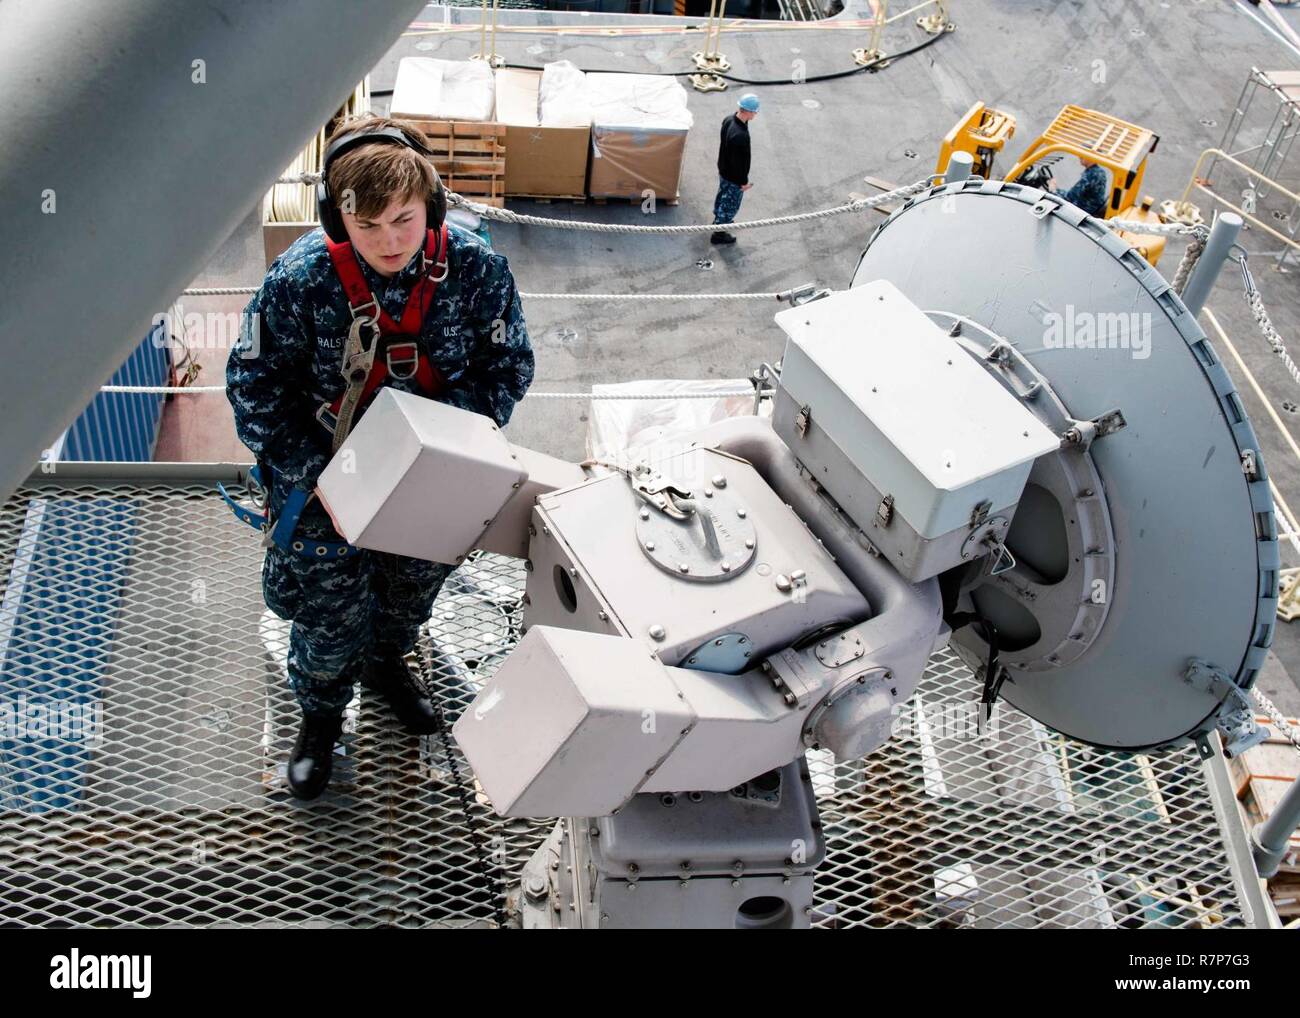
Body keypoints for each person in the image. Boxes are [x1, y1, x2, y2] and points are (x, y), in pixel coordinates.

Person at [225, 115, 534, 800]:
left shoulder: (477, 272)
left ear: (433, 205)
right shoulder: (301, 281)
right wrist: (323, 477)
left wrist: (440, 445)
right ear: (339, 224)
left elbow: (508, 365)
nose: (390, 241)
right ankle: (322, 714)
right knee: (329, 616)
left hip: (429, 482)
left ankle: (388, 663)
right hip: (325, 489)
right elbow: (252, 385)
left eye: (404, 219)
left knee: (407, 596)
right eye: (369, 227)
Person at [711, 93, 759, 246]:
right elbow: (739, 164)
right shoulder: (741, 135)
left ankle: (717, 219)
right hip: (733, 177)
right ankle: (719, 233)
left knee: (722, 196)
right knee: (730, 204)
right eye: (755, 111)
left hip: (724, 170)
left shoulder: (728, 120)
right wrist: (743, 182)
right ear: (749, 111)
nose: (756, 114)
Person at [1049, 152, 1110, 218]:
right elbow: (1074, 193)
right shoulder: (1099, 171)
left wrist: (1053, 190)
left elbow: (1070, 197)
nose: (1079, 156)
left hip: (1084, 209)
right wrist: (1057, 189)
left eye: (1083, 155)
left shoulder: (1091, 174)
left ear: (1091, 157)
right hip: (1090, 206)